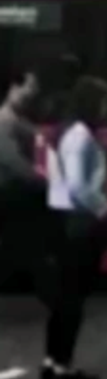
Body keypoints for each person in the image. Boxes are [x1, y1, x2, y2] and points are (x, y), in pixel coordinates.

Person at [42, 76, 107, 379]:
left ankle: (52, 361)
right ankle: (63, 365)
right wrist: (105, 211)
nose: (106, 109)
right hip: (79, 222)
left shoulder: (64, 131)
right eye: (104, 102)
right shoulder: (80, 136)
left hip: (60, 217)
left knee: (64, 295)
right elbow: (78, 186)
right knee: (74, 296)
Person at [0, 66, 50, 281]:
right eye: (30, 86)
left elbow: (37, 135)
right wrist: (40, 179)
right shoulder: (4, 119)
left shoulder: (18, 119)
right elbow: (11, 160)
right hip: (7, 190)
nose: (34, 92)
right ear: (14, 87)